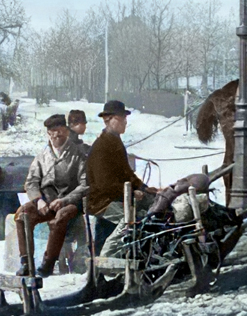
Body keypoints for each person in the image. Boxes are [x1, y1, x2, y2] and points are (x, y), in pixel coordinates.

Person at [14, 114, 88, 277]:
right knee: (22, 215)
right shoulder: (42, 156)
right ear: (48, 133)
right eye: (52, 131)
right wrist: (38, 200)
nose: (56, 135)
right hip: (46, 202)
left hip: (71, 203)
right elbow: (31, 182)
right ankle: (26, 263)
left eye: (60, 131)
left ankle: (48, 263)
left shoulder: (78, 154)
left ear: (67, 131)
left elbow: (85, 184)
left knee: (59, 218)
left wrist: (64, 200)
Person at [86, 99, 157, 257]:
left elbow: (127, 174)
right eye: (121, 118)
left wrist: (144, 188)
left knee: (153, 205)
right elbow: (104, 184)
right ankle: (105, 257)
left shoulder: (115, 141)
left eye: (125, 118)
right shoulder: (101, 146)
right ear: (107, 119)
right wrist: (131, 193)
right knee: (131, 220)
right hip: (101, 201)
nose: (125, 122)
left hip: (115, 196)